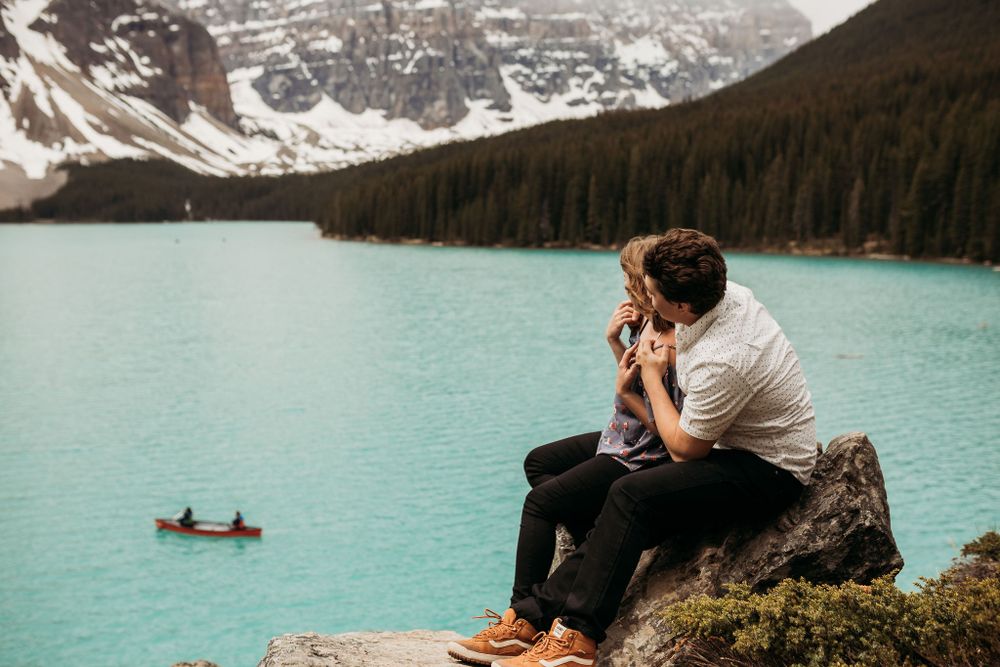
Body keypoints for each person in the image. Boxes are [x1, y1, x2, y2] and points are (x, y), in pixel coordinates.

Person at [449, 228, 816, 667]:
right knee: (620, 513)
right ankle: (529, 620)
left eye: (651, 291)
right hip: (731, 445)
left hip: (769, 470)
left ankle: (576, 642)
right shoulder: (719, 294)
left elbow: (684, 450)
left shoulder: (728, 356)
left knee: (630, 496)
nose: (644, 295)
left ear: (680, 305)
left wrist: (647, 380)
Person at [446, 236, 684, 666]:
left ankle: (522, 620)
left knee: (540, 502)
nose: (630, 288)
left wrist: (626, 394)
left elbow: (663, 422)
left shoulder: (671, 337)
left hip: (641, 452)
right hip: (622, 436)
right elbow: (632, 382)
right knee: (540, 463)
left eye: (632, 279)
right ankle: (596, 538)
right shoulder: (647, 322)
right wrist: (614, 342)